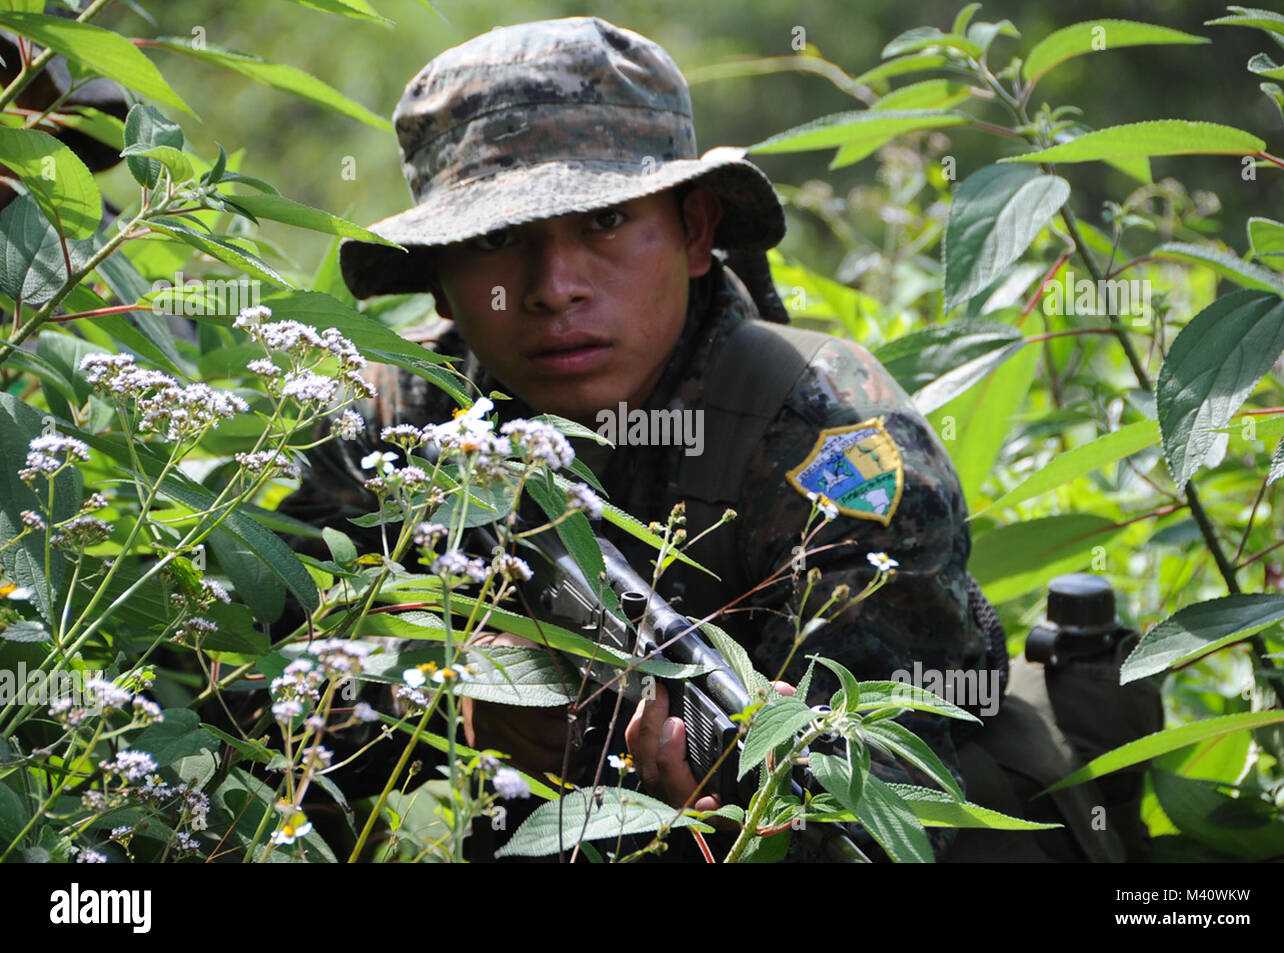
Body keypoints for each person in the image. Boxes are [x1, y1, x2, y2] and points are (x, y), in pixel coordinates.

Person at [284, 16, 1145, 862]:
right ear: (439, 279)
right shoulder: (399, 418)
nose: (552, 289)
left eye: (605, 223)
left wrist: (730, 808)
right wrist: (446, 693)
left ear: (695, 230)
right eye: (500, 240)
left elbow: (897, 798)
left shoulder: (833, 446)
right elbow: (232, 689)